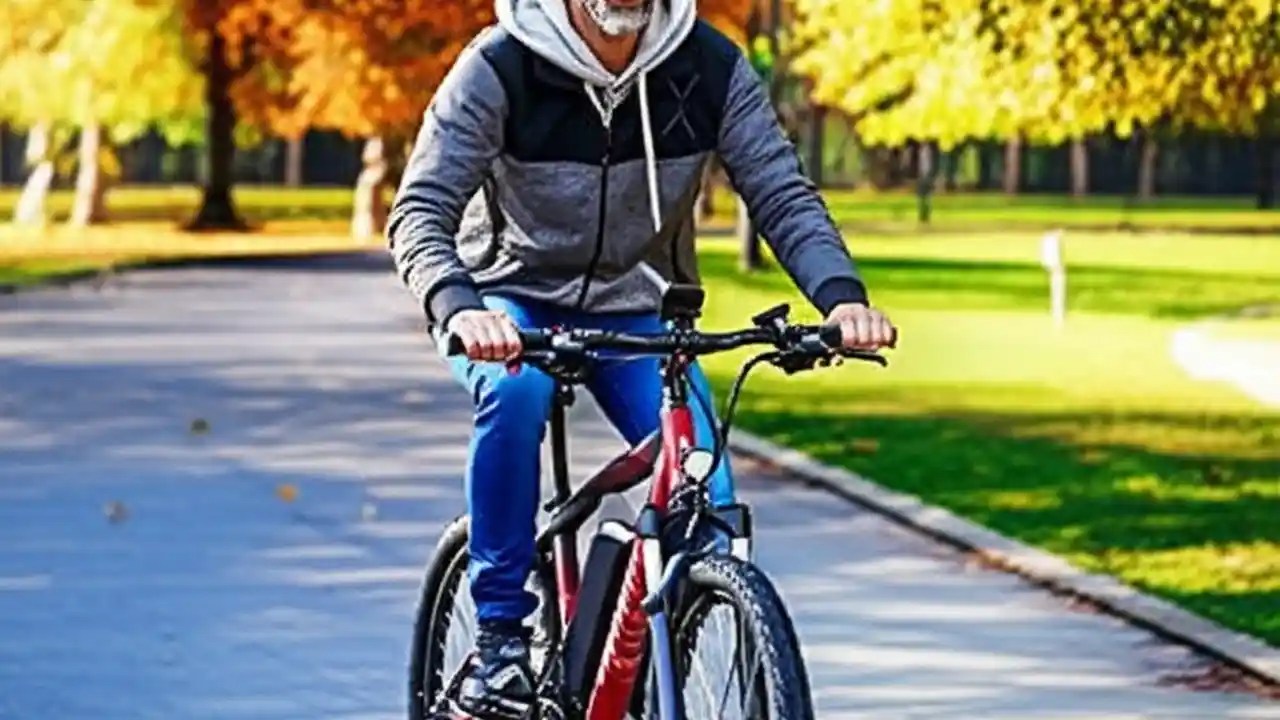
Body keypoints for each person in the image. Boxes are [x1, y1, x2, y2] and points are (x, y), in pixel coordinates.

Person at [387, 0, 897, 715]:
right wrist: (460, 306)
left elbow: (781, 193)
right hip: (511, 303)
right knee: (516, 392)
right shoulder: (500, 65)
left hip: (639, 305)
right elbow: (419, 211)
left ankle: (661, 666)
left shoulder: (708, 66)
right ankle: (501, 639)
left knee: (704, 491)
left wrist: (840, 299)